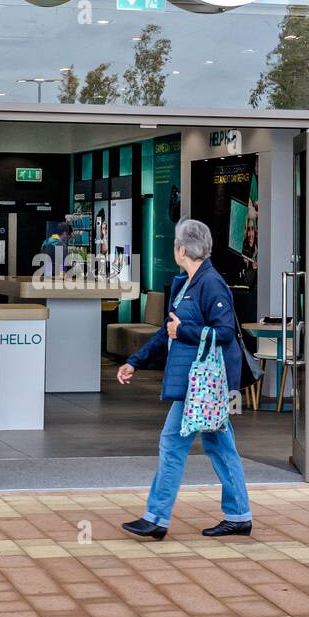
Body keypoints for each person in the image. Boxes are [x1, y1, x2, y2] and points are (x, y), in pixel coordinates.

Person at [116, 217, 252, 541]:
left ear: (182, 249)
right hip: (193, 382)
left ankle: (157, 518)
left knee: (175, 443)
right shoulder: (184, 284)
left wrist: (185, 331)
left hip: (205, 384)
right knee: (218, 445)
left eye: (176, 245)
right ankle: (237, 515)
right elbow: (168, 332)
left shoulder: (211, 283)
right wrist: (135, 361)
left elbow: (224, 333)